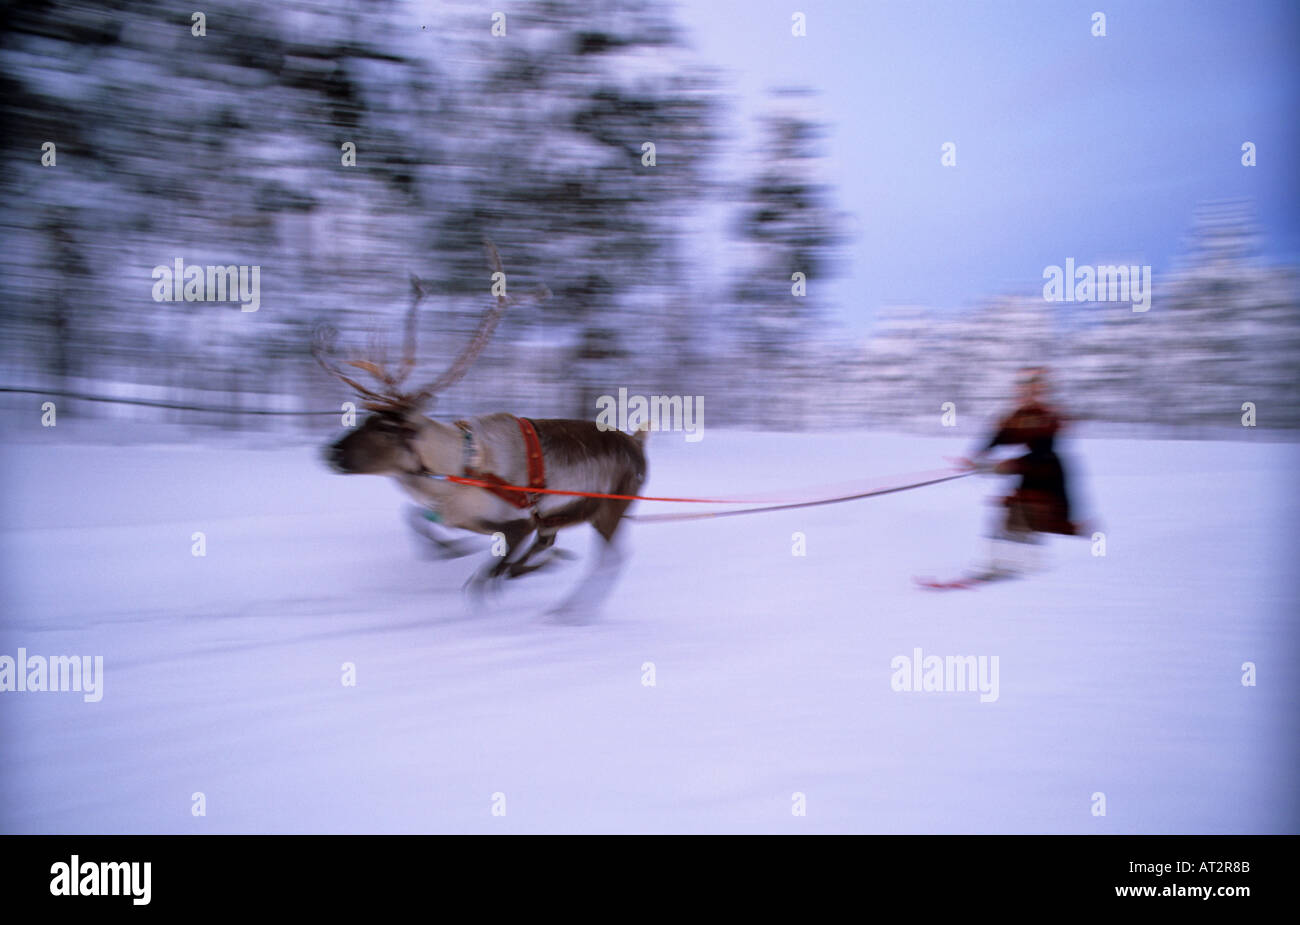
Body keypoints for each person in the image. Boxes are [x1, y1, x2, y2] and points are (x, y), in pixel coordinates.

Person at [958, 366, 1082, 579]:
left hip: (1047, 474)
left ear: (1042, 391)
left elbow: (1043, 452)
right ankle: (998, 566)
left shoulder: (1049, 416)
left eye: (1034, 389)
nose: (1027, 394)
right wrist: (976, 456)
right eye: (1024, 389)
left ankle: (1028, 570)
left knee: (1030, 518)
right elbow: (998, 436)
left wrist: (1005, 466)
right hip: (1027, 476)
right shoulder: (1017, 415)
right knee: (1009, 516)